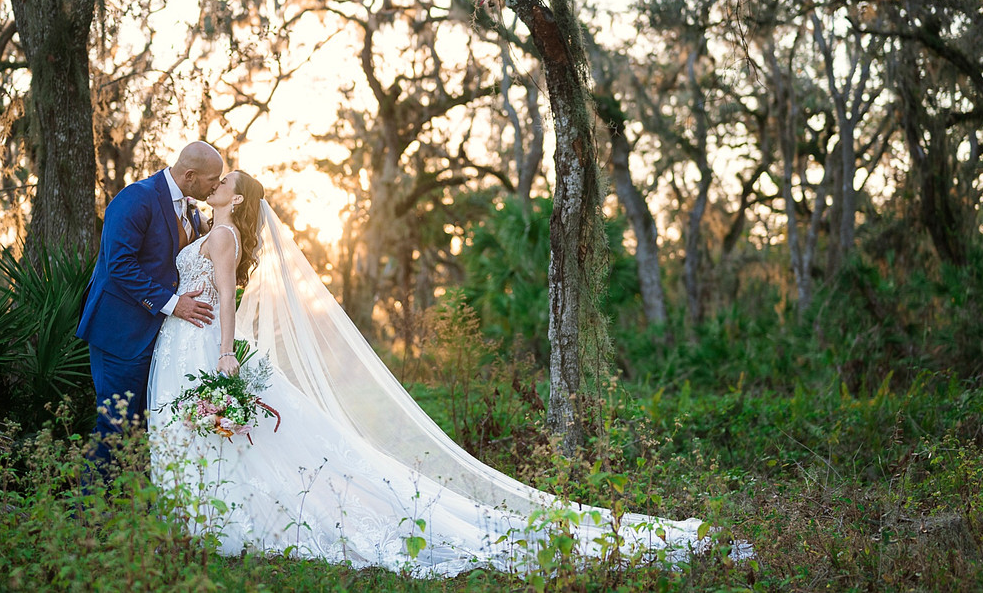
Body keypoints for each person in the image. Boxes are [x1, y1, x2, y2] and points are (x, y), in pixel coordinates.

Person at [148, 172, 748, 576]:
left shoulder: (222, 234)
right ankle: (208, 514)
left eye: (223, 180)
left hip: (208, 346)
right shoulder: (207, 230)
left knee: (256, 440)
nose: (214, 183)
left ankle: (227, 517)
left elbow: (227, 298)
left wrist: (227, 355)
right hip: (185, 345)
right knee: (235, 441)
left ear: (236, 198)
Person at [77, 141, 224, 473]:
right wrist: (174, 305)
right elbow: (120, 265)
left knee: (144, 426)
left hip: (156, 337)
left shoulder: (193, 210)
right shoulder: (136, 199)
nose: (216, 185)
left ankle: (129, 506)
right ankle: (84, 515)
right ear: (190, 175)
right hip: (119, 332)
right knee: (115, 425)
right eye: (212, 179)